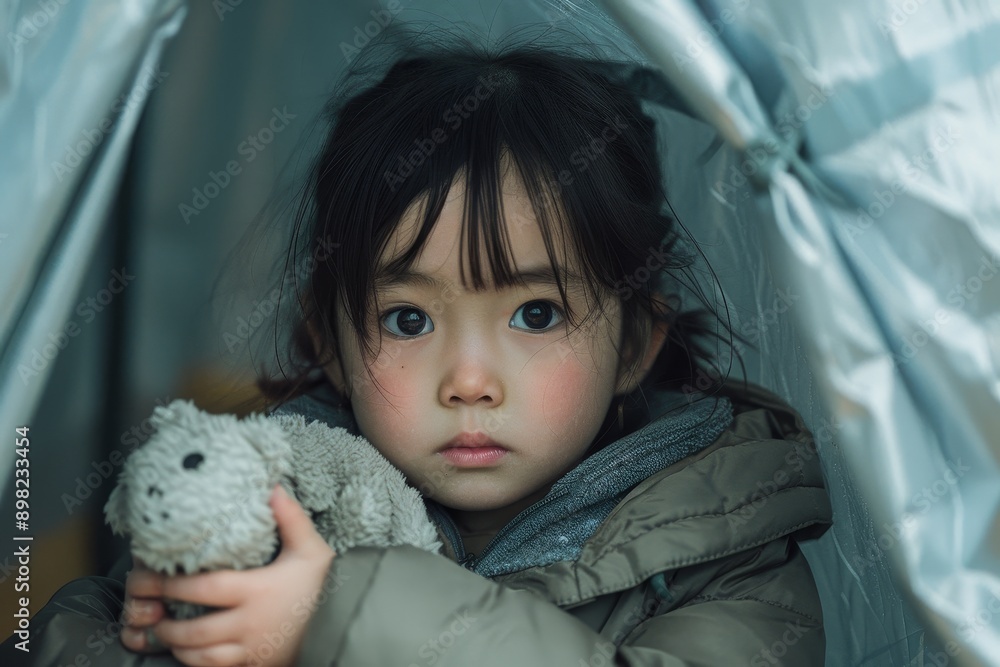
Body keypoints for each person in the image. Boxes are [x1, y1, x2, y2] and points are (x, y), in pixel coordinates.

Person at [2, 29, 832, 667]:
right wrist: (173, 630)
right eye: (409, 320)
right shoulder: (283, 500)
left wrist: (333, 620)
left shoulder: (730, 550)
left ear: (635, 344)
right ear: (329, 340)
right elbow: (68, 632)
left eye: (536, 313)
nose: (469, 381)